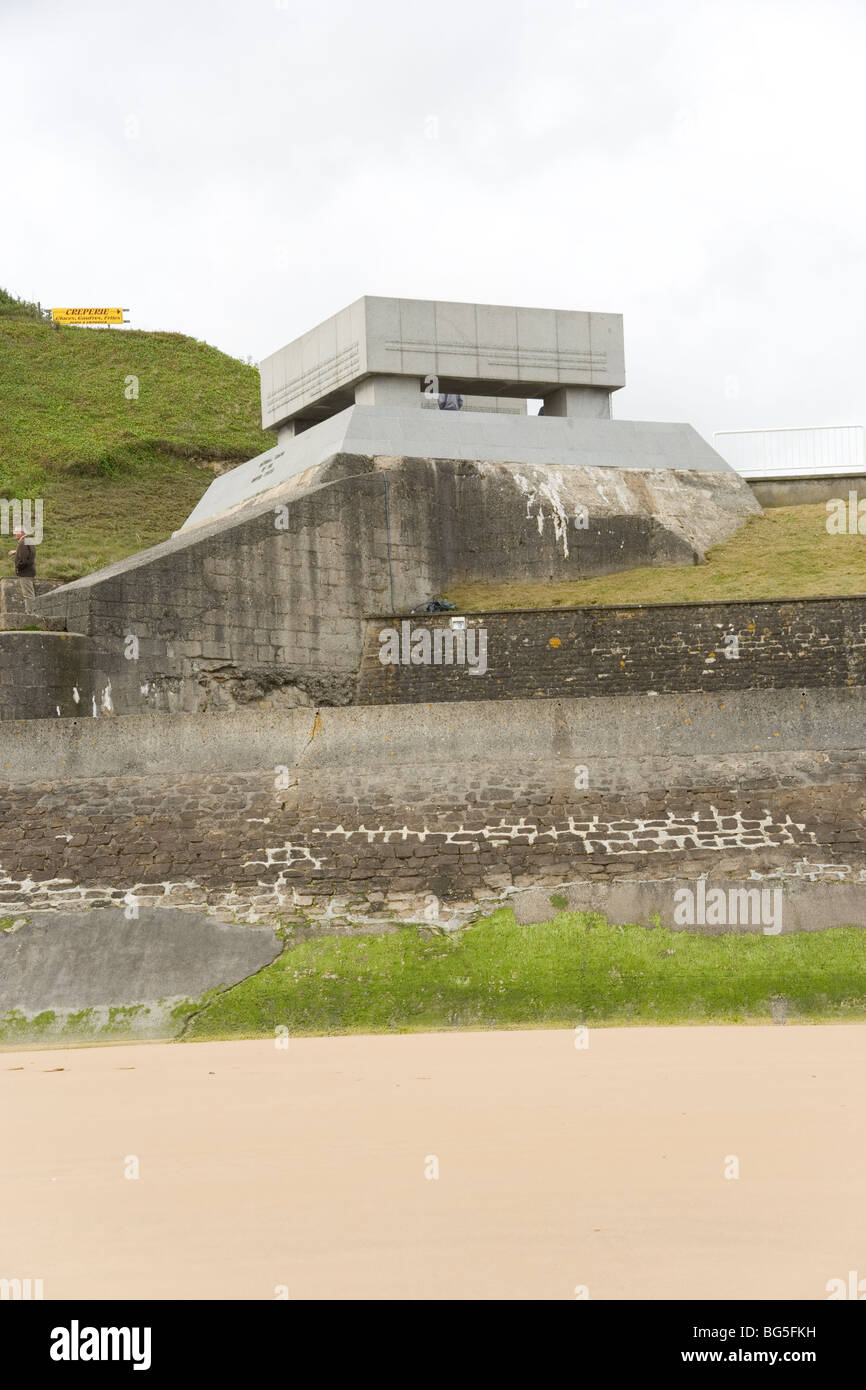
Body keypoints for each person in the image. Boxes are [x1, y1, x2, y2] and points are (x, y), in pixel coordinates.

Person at [8, 526, 36, 607]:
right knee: (29, 594)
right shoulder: (28, 540)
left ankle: (31, 614)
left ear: (22, 532)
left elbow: (23, 560)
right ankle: (32, 613)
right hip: (30, 571)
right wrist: (16, 552)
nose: (14, 533)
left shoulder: (23, 542)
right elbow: (29, 553)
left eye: (16, 531)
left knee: (28, 595)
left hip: (25, 572)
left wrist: (18, 568)